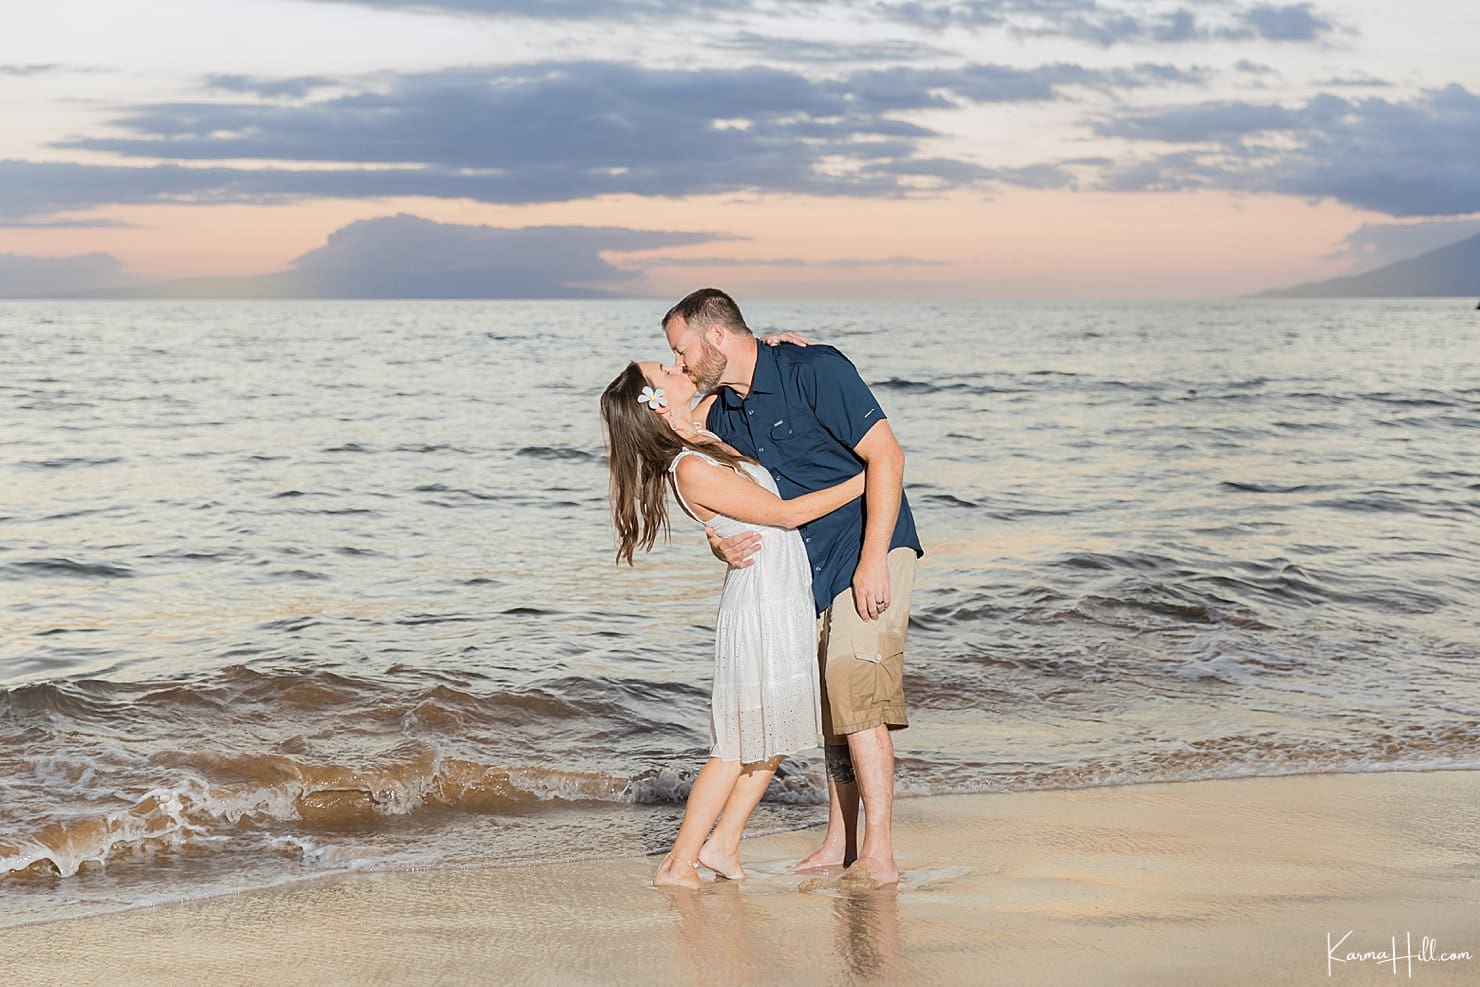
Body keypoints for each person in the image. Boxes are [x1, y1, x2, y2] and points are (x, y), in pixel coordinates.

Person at [662, 288, 922, 887]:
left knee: (860, 697)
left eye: (681, 350)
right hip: (808, 569)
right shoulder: (726, 412)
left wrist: (874, 558)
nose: (678, 364)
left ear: (717, 337)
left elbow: (887, 455)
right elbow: (730, 495)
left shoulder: (815, 369)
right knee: (834, 707)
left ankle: (879, 853)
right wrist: (715, 539)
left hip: (870, 547)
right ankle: (841, 842)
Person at [600, 360, 866, 890]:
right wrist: (868, 478)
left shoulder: (700, 435)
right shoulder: (688, 466)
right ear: (656, 401)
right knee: (735, 744)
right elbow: (786, 515)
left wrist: (776, 343)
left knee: (776, 732)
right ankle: (678, 862)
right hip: (761, 605)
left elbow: (730, 369)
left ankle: (722, 845)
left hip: (783, 596)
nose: (678, 367)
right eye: (665, 368)